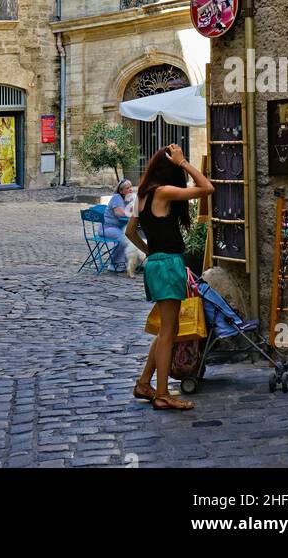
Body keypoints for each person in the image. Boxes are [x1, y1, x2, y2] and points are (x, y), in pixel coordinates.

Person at [125, 143, 213, 413]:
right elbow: (207, 188)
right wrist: (184, 162)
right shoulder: (162, 192)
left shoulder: (142, 195)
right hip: (168, 264)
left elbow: (130, 232)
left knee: (166, 330)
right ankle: (162, 394)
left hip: (156, 264)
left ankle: (144, 383)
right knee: (169, 332)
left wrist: (150, 252)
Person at [103, 179, 132, 272]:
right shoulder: (117, 197)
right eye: (128, 188)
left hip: (119, 228)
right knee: (123, 239)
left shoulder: (127, 199)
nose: (131, 190)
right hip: (107, 228)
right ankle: (114, 263)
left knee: (138, 233)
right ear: (121, 191)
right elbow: (120, 213)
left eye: (131, 187)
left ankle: (135, 261)